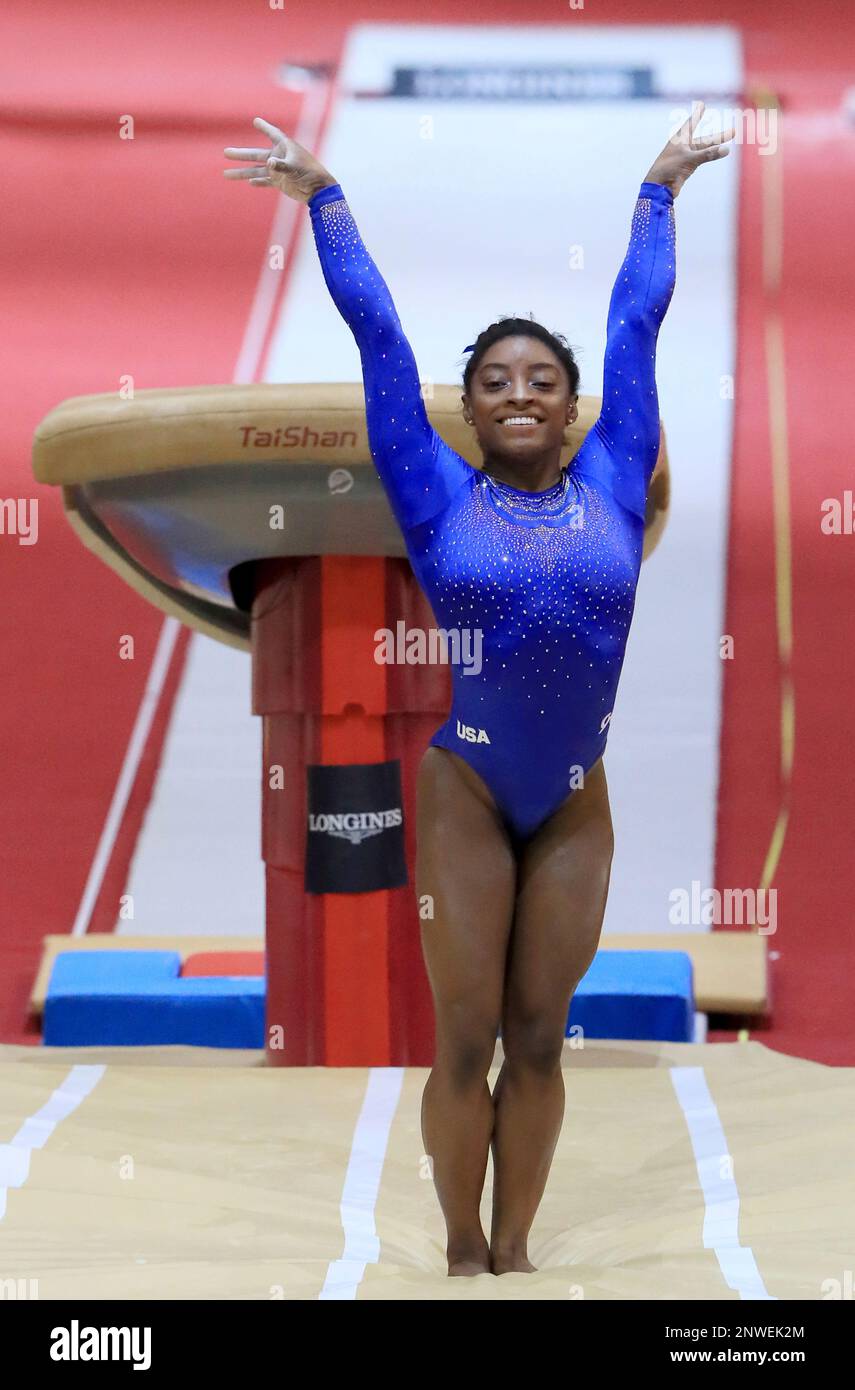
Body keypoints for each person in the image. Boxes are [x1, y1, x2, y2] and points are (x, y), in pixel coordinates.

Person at [225, 103, 733, 1277]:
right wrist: (327, 201)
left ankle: (515, 1248)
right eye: (496, 378)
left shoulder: (615, 476)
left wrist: (658, 190)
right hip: (465, 782)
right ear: (471, 407)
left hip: (569, 795)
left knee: (540, 1037)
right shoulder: (436, 494)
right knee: (465, 1036)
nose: (519, 391)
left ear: (568, 405)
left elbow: (637, 322)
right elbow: (383, 345)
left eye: (541, 378)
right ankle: (458, 1244)